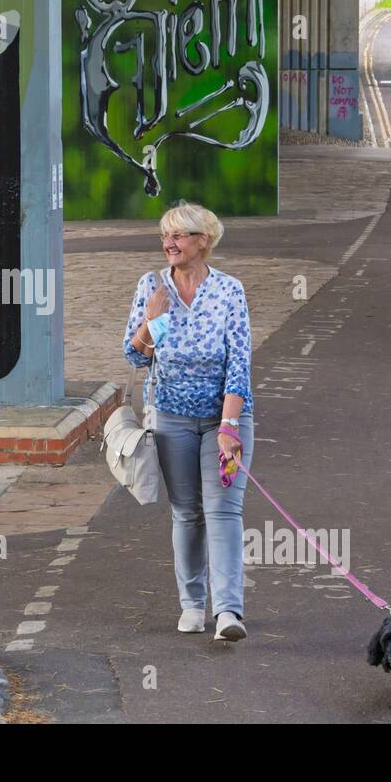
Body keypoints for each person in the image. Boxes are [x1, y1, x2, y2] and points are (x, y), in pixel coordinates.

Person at [123, 201, 255, 642]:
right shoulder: (151, 286)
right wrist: (151, 322)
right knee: (186, 513)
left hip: (225, 418)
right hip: (170, 418)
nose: (169, 244)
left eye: (178, 235)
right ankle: (193, 605)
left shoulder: (229, 290)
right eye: (165, 236)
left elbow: (239, 362)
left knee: (224, 511)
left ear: (203, 241)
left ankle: (229, 613)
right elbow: (133, 355)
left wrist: (229, 426)